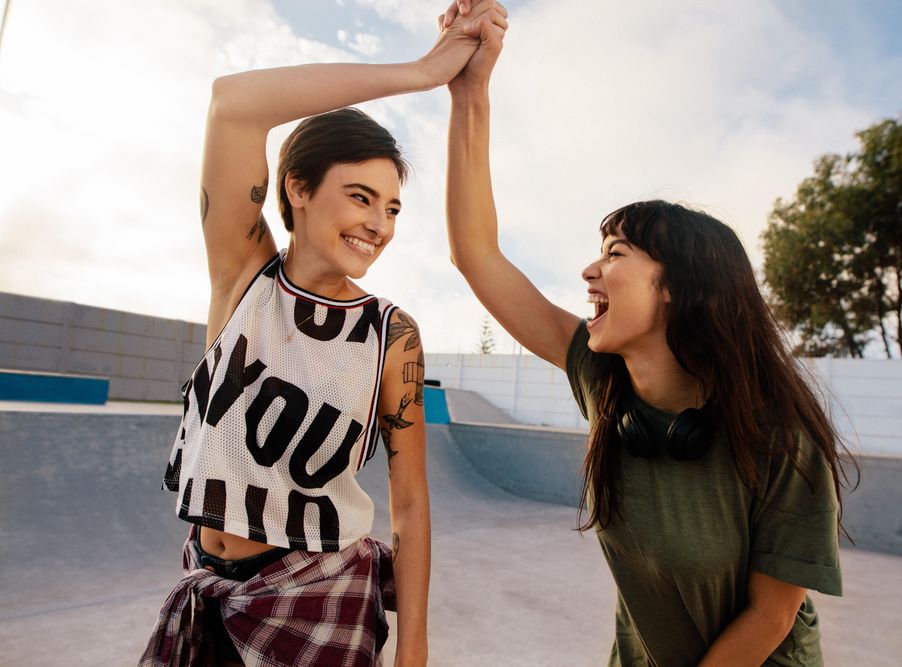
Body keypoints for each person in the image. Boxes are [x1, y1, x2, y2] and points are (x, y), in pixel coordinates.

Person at [440, 2, 852, 664]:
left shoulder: (779, 430)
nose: (590, 269)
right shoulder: (606, 381)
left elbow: (772, 613)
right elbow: (476, 255)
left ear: (677, 288)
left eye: (616, 253)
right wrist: (471, 88)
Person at [139, 5, 508, 666]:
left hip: (322, 599)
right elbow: (233, 103)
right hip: (206, 586)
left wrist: (413, 648)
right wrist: (422, 72)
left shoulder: (390, 334)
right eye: (361, 196)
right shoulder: (242, 275)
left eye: (391, 206)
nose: (380, 224)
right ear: (298, 188)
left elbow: (413, 502)